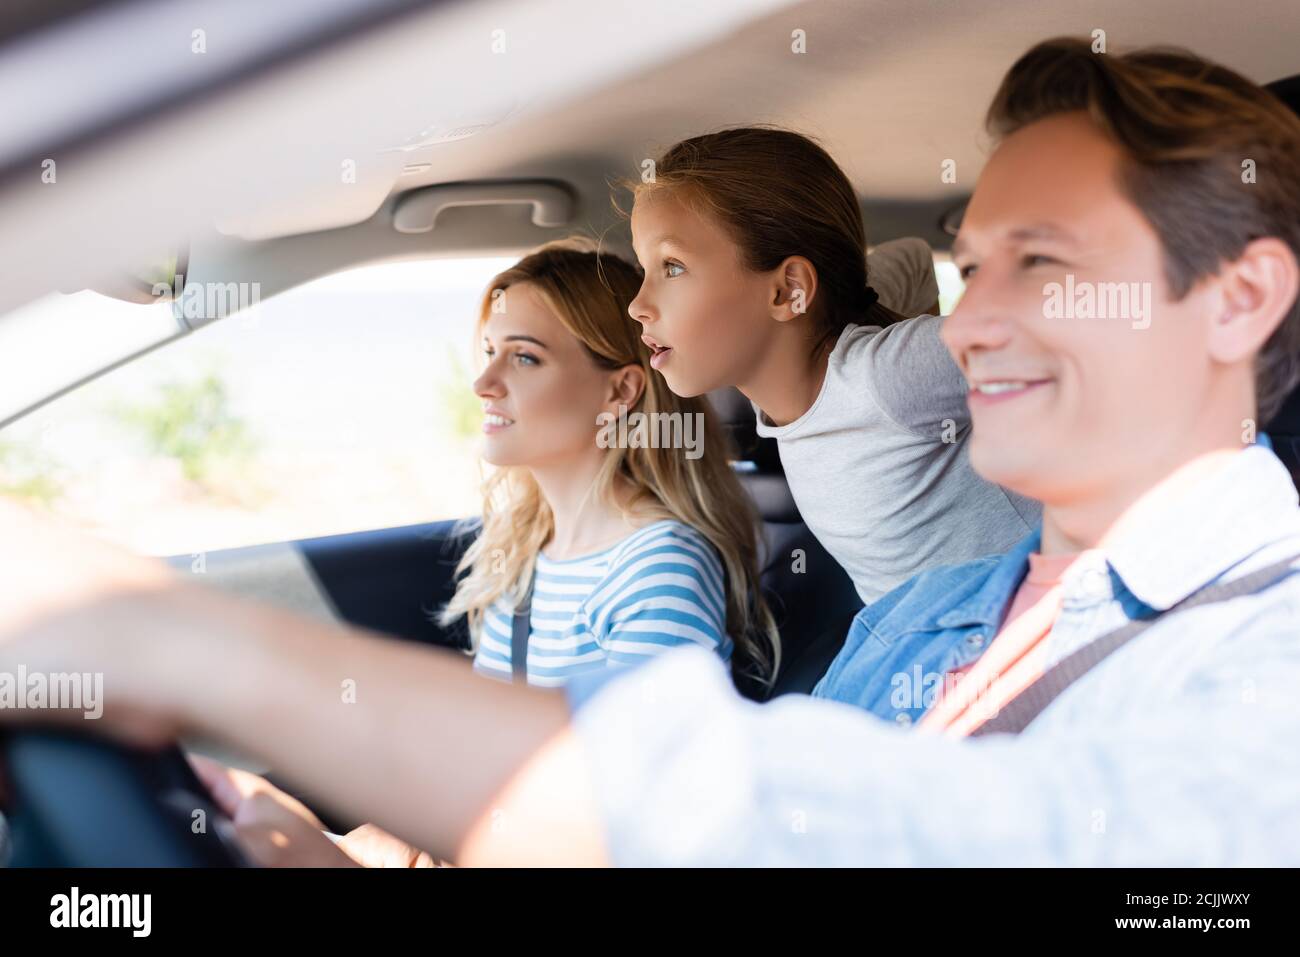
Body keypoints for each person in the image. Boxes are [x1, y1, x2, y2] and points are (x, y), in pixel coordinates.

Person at [1, 36, 1298, 866]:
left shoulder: (1267, 655)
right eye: (971, 270)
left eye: (1045, 265)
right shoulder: (943, 607)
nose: (970, 325)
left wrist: (183, 645)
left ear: (1240, 300)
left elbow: (892, 837)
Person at [623, 126, 1040, 602]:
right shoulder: (834, 370)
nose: (638, 304)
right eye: (644, 270)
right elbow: (912, 257)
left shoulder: (884, 377)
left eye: (672, 267)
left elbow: (1052, 323)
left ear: (787, 291)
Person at [439, 238, 777, 690]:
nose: (483, 383)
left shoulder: (660, 568)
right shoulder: (522, 548)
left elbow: (629, 757)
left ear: (619, 393)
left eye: (524, 357)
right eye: (488, 352)